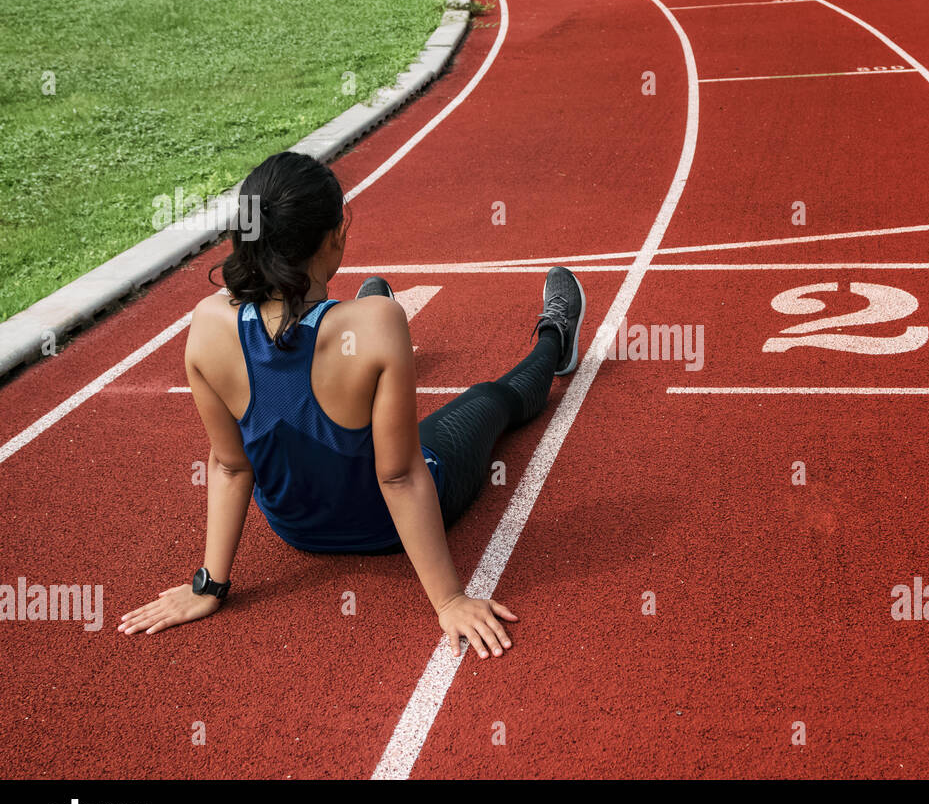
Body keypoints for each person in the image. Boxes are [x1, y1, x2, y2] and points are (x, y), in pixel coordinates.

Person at [118, 151, 585, 659]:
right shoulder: (382, 321)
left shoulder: (206, 322)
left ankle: (351, 336)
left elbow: (231, 467)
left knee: (358, 372)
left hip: (295, 529)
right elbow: (400, 477)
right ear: (334, 236)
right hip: (380, 524)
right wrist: (449, 600)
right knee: (489, 399)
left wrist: (208, 586)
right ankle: (554, 341)